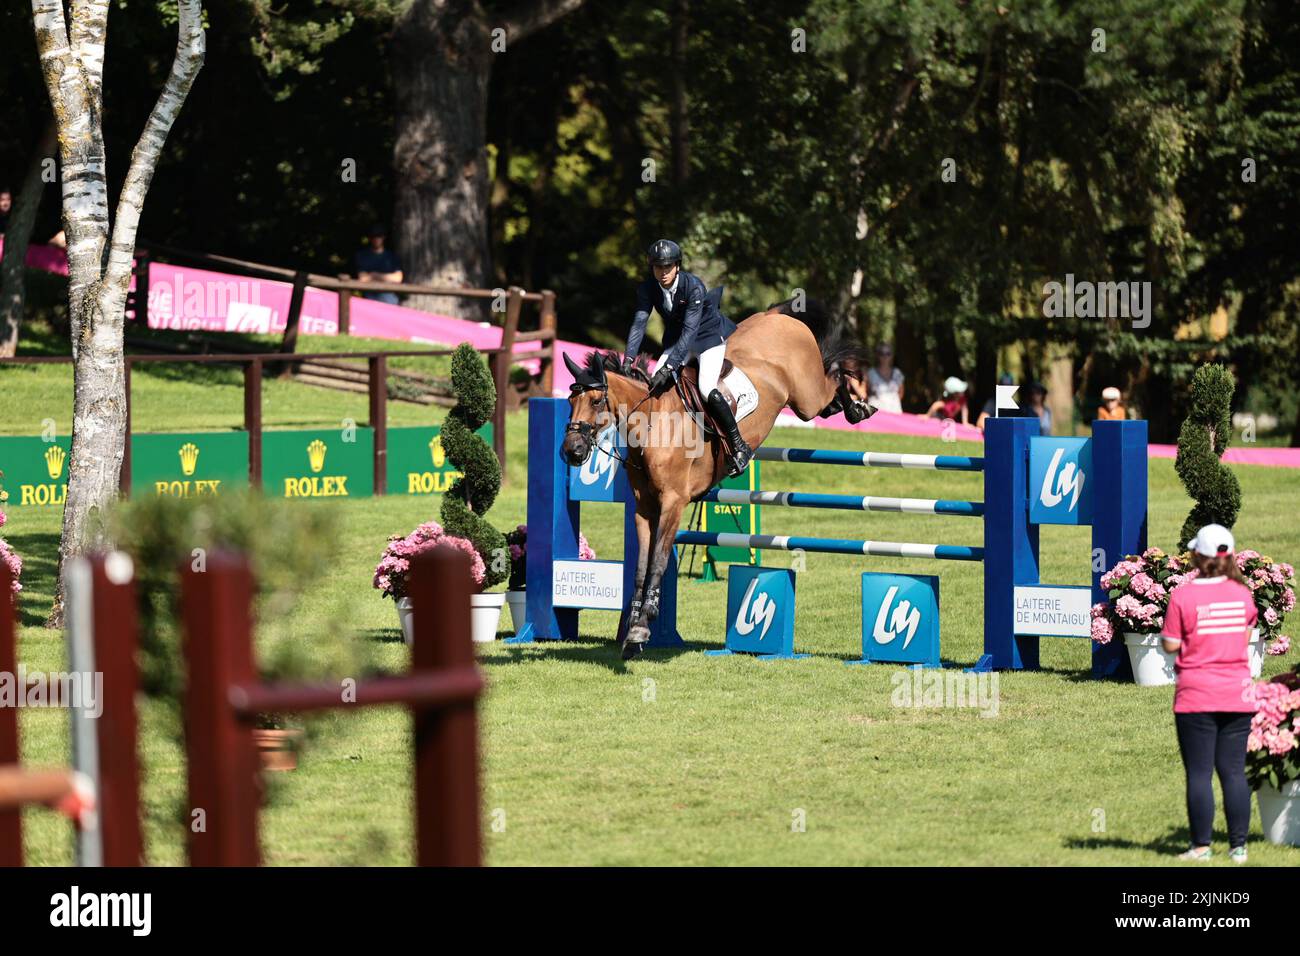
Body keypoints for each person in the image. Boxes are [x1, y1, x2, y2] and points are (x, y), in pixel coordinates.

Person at [1160, 524, 1257, 863]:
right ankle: (1238, 847)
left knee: (1199, 773)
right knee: (1232, 771)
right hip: (1237, 693)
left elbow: (1171, 643)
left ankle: (1201, 846)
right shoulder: (1243, 594)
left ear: (1197, 557)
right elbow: (1243, 638)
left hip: (1196, 693)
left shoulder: (1183, 596)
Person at [624, 238, 746, 475]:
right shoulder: (647, 289)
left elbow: (690, 333)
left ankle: (738, 445)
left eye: (668, 266)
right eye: (658, 267)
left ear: (677, 266)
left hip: (707, 337)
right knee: (653, 390)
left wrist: (669, 367)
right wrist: (628, 360)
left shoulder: (694, 287)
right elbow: (639, 324)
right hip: (677, 339)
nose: (663, 272)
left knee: (706, 388)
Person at [353, 225, 403, 305]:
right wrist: (387, 279)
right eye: (373, 236)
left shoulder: (392, 256)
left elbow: (398, 278)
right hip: (369, 301)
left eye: (379, 236)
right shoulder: (362, 256)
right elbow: (362, 278)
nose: (376, 239)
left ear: (383, 237)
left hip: (390, 302)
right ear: (370, 238)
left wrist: (374, 275)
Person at [866, 343, 904, 413]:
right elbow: (867, 392)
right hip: (876, 413)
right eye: (881, 353)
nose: (885, 357)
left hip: (895, 412)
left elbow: (901, 394)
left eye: (888, 353)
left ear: (892, 355)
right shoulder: (870, 373)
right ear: (877, 355)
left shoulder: (897, 373)